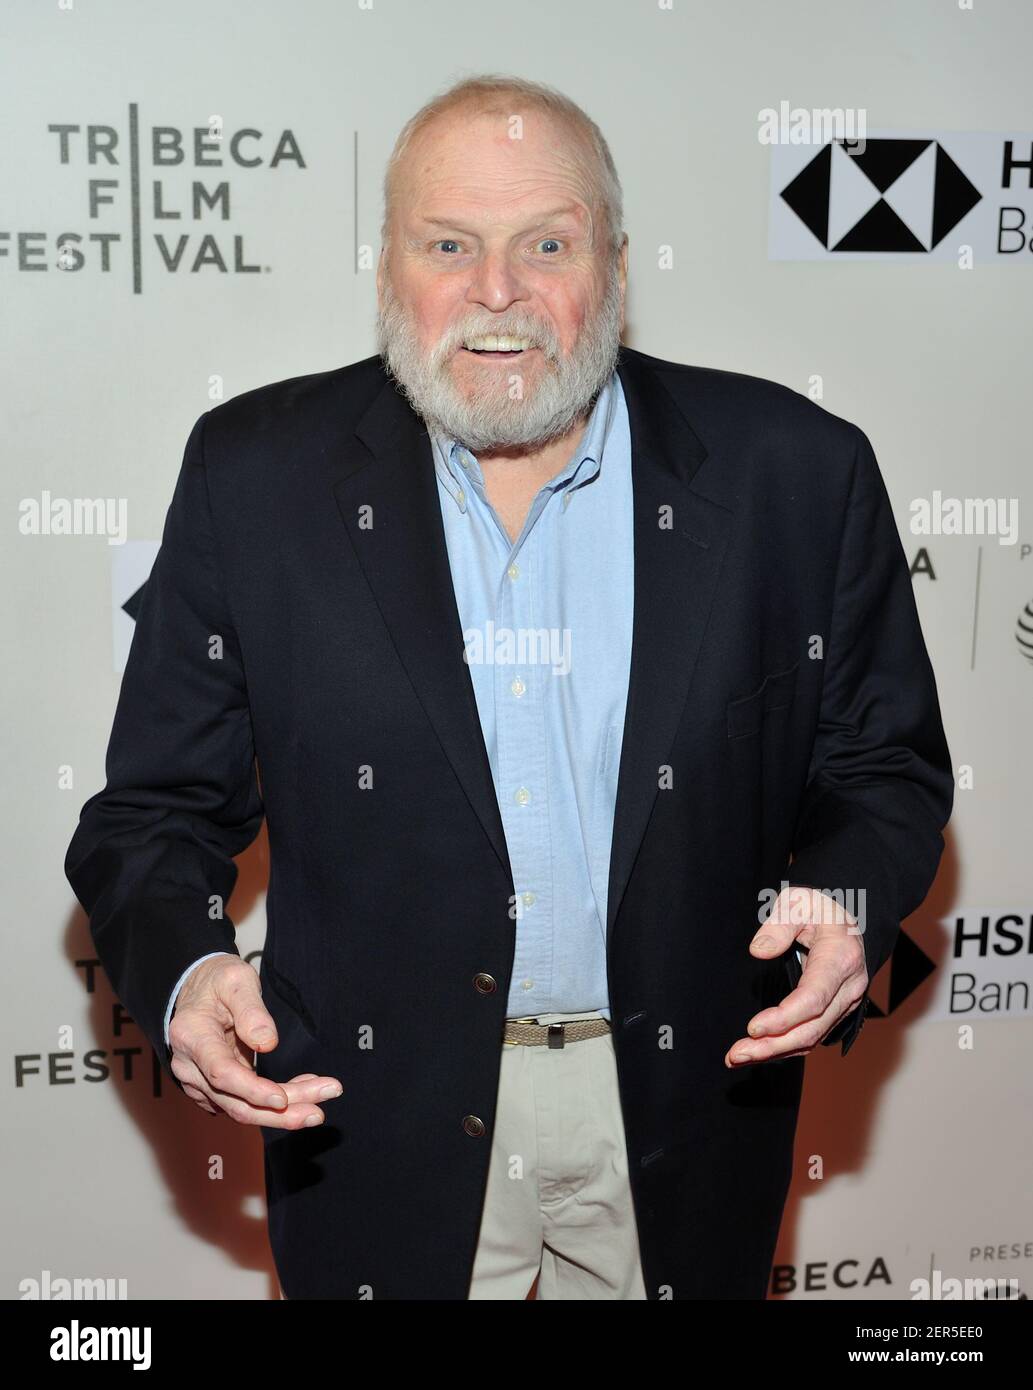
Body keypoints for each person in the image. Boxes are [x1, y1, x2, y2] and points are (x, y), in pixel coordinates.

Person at [65, 74, 953, 1300]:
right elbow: (152, 812)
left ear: (618, 266)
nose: (497, 291)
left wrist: (845, 896)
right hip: (373, 1114)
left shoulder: (794, 475)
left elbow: (883, 768)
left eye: (546, 242)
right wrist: (187, 968)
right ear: (388, 267)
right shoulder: (253, 478)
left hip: (688, 1107)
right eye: (449, 244)